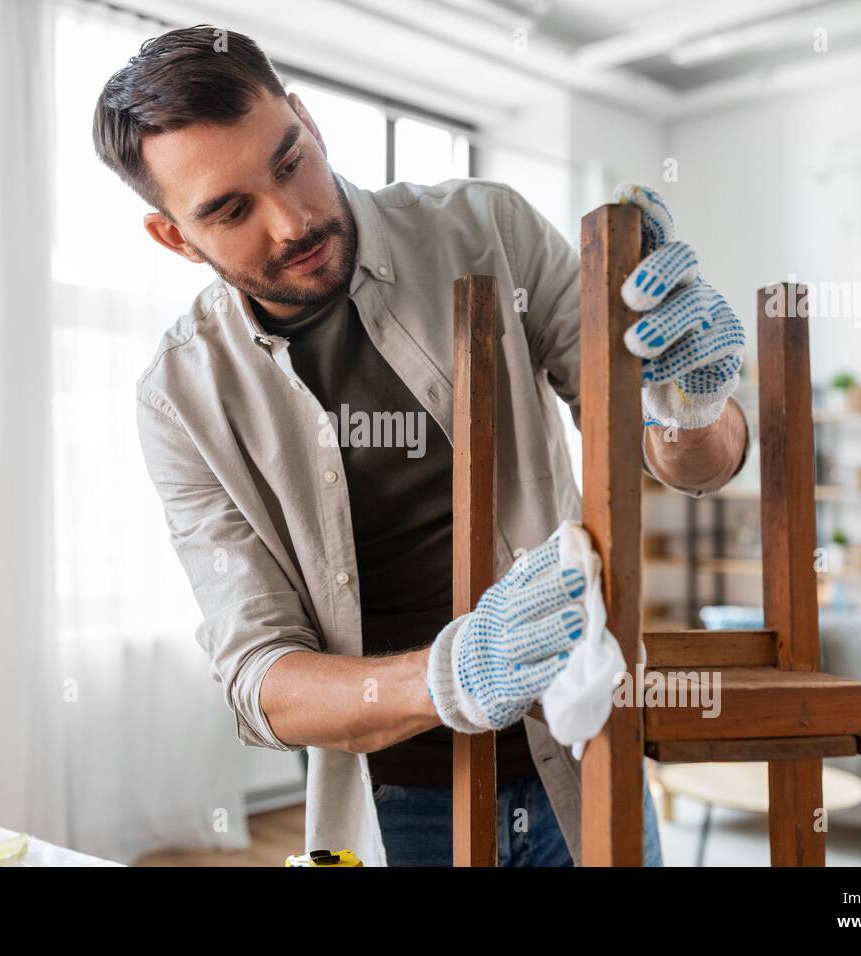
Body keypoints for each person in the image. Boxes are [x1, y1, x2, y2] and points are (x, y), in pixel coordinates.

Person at [93, 24, 748, 866]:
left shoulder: (489, 230)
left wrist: (691, 405)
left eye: (290, 162)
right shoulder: (182, 399)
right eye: (230, 209)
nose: (291, 221)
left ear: (308, 120)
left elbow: (692, 466)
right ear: (175, 238)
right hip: (394, 803)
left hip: (589, 751)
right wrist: (454, 675)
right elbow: (258, 679)